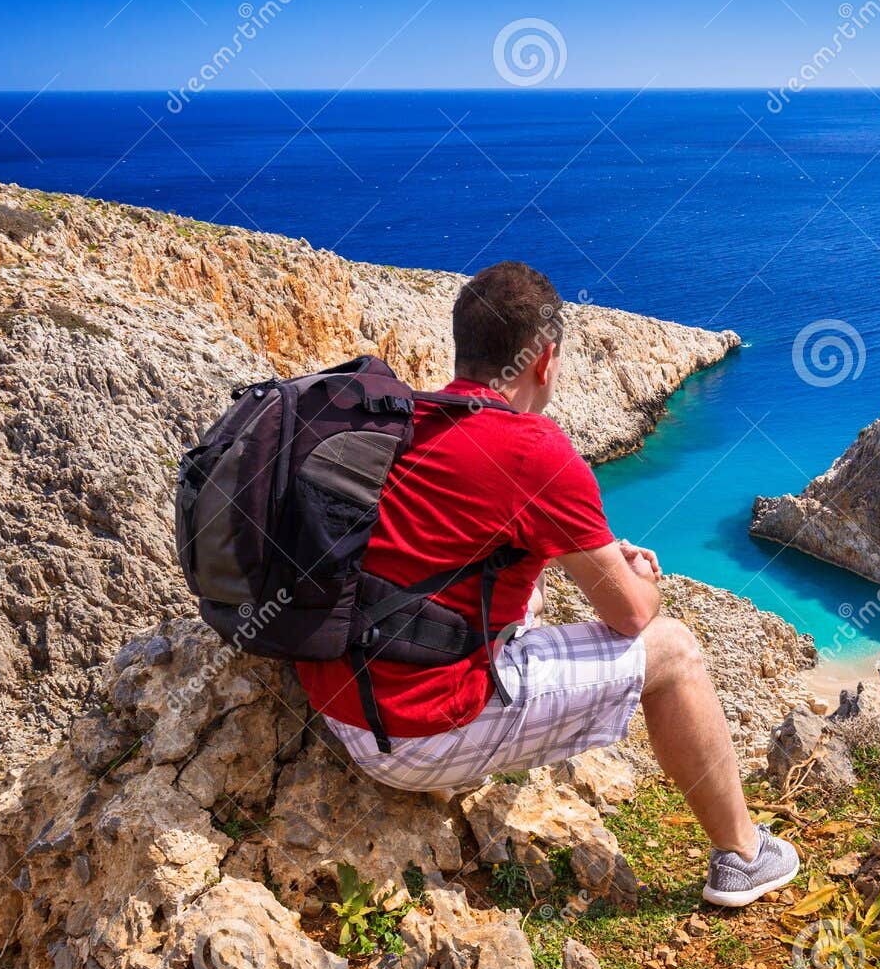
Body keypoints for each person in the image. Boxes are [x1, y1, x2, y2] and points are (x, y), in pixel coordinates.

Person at [296, 261, 799, 907]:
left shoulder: (411, 418)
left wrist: (579, 546)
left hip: (339, 695)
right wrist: (639, 577)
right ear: (546, 359)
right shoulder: (534, 449)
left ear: (464, 348)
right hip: (410, 734)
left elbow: (454, 541)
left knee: (528, 592)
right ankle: (743, 855)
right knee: (673, 651)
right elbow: (630, 616)